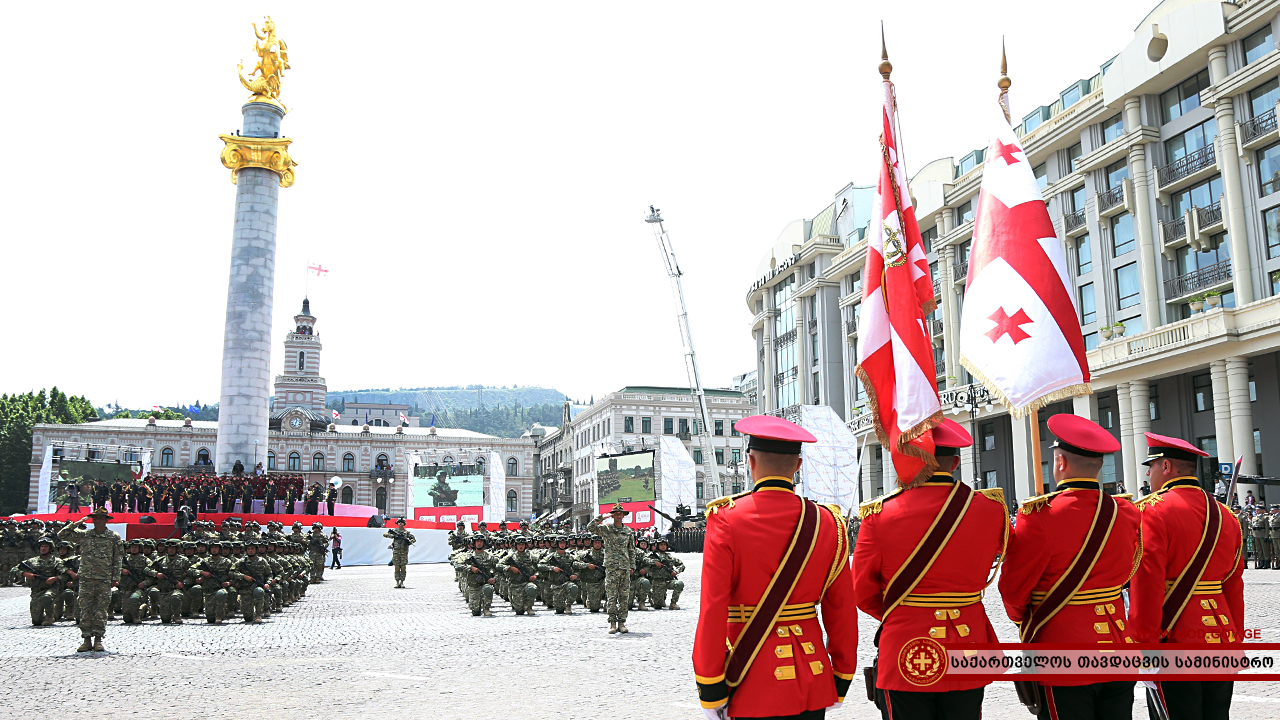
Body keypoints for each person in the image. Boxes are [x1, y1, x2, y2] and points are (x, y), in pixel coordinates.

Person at [693, 415, 858, 720]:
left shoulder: (726, 518)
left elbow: (712, 608)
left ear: (750, 463)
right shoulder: (828, 522)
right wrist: (841, 674)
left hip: (750, 676)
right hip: (811, 673)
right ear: (798, 466)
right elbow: (842, 609)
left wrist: (711, 685)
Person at [852, 418, 1006, 720]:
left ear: (910, 459)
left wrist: (906, 616)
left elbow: (862, 592)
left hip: (907, 644)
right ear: (955, 463)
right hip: (968, 644)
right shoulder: (991, 510)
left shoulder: (880, 515)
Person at [998, 414, 1142, 720]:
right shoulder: (1126, 511)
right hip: (1118, 644)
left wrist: (1026, 619)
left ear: (1060, 462)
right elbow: (1130, 569)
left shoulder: (1039, 515)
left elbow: (1013, 588)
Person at [1131, 433, 1245, 720]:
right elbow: (1234, 587)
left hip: (1176, 638)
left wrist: (1144, 647)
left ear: (1166, 466)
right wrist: (1236, 643)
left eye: (1151, 466)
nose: (1148, 474)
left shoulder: (1152, 510)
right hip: (1222, 638)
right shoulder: (1226, 515)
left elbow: (1147, 585)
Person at [58, 507, 123, 652]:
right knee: (85, 609)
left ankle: (98, 639)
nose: (98, 520)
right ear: (92, 520)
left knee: (101, 609)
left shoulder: (113, 536)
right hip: (86, 578)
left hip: (104, 578)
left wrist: (115, 577)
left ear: (106, 520)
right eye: (96, 518)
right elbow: (62, 534)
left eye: (101, 518)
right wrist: (77, 522)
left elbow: (117, 558)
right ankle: (86, 639)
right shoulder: (85, 535)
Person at [588, 503, 637, 634]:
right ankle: (612, 623)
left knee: (624, 596)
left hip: (625, 567)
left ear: (623, 515)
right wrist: (603, 517)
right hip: (611, 567)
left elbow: (631, 550)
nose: (618, 515)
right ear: (613, 515)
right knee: (611, 596)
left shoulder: (628, 531)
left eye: (620, 513)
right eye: (616, 513)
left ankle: (622, 622)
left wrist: (632, 566)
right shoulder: (606, 529)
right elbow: (590, 527)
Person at [383, 519, 415, 587]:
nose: (400, 523)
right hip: (396, 551)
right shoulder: (394, 531)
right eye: (399, 522)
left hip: (404, 551)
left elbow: (413, 539)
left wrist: (409, 541)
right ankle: (397, 582)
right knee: (397, 567)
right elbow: (385, 534)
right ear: (397, 523)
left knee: (403, 567)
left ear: (404, 524)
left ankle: (402, 582)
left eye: (402, 522)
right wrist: (393, 536)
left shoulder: (407, 532)